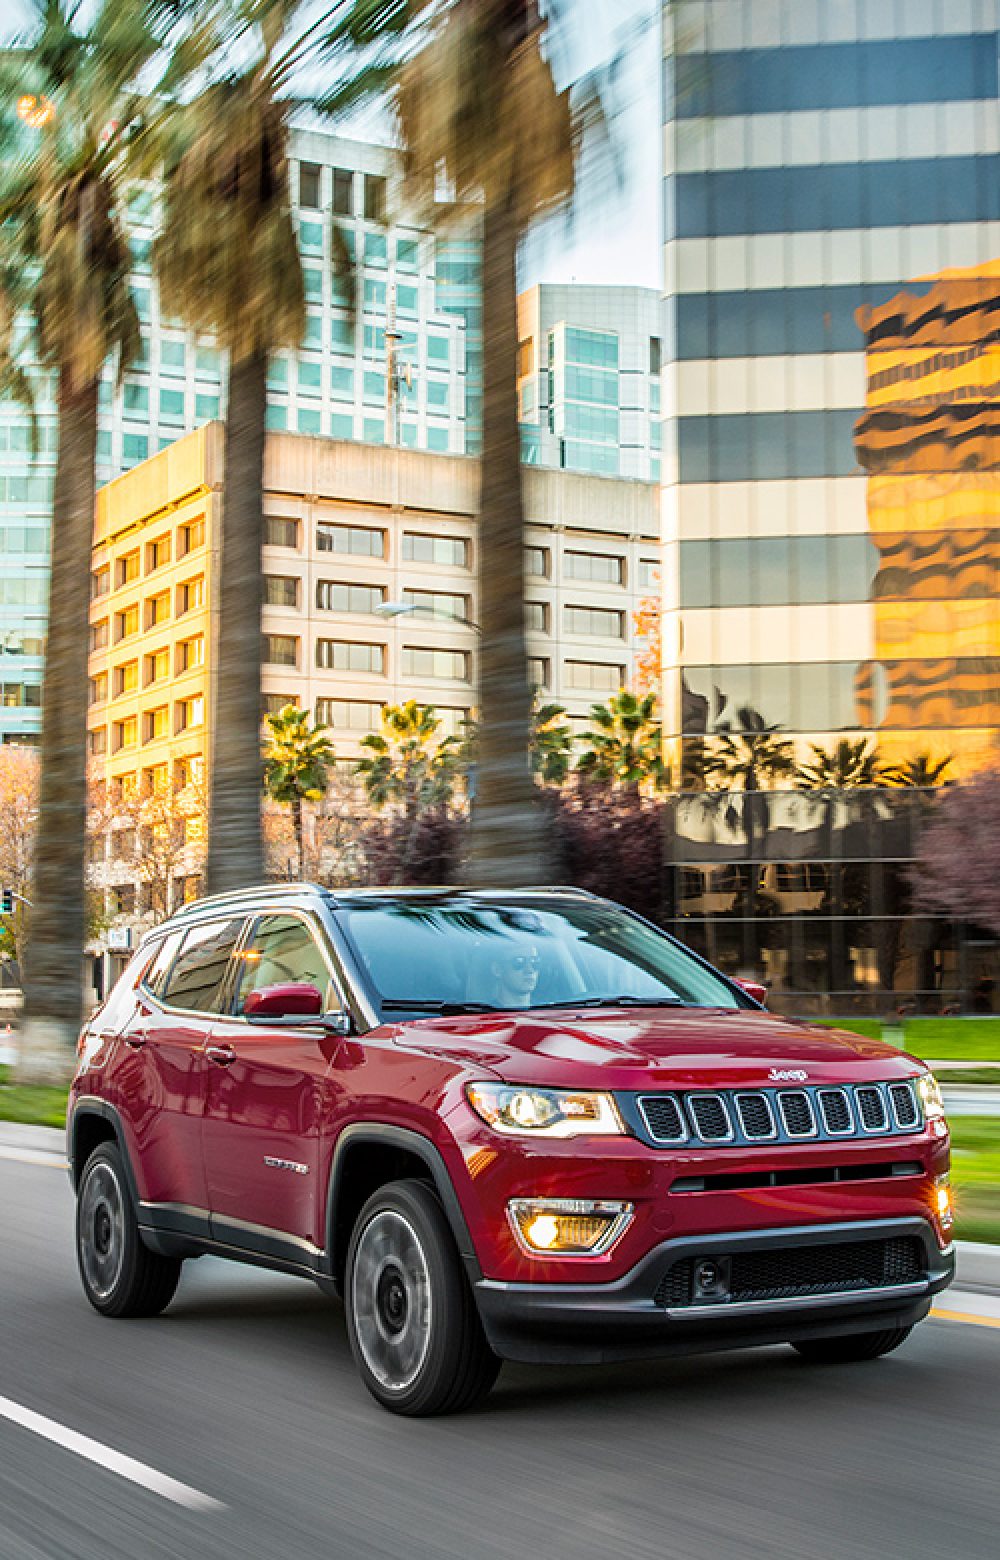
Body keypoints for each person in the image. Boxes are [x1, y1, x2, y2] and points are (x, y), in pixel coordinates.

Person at [488, 942, 541, 1009]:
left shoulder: (548, 1012)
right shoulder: (483, 1015)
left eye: (534, 962)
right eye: (519, 962)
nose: (530, 970)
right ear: (497, 969)